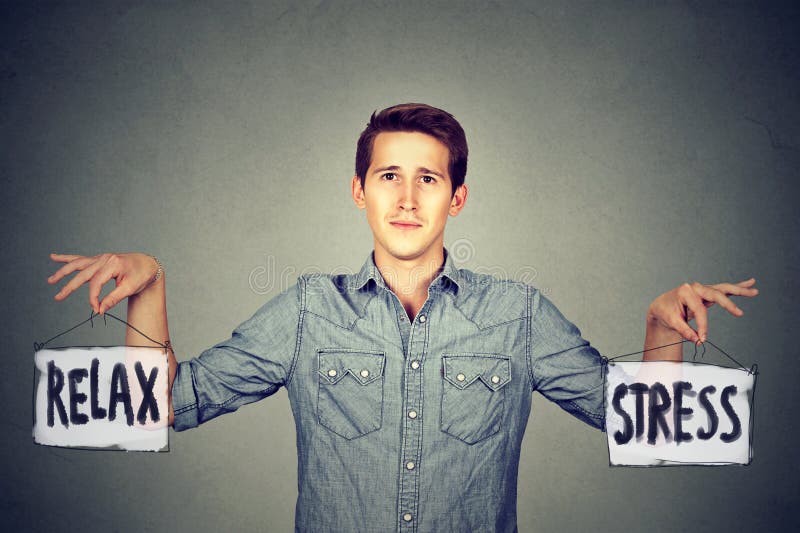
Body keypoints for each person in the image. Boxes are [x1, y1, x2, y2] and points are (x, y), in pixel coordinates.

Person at [46, 103, 758, 532]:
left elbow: (641, 426)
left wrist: (659, 330)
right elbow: (166, 406)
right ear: (360, 190)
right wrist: (150, 287)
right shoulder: (307, 309)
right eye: (389, 176)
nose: (408, 198)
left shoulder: (517, 313)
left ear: (458, 198)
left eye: (429, 178)